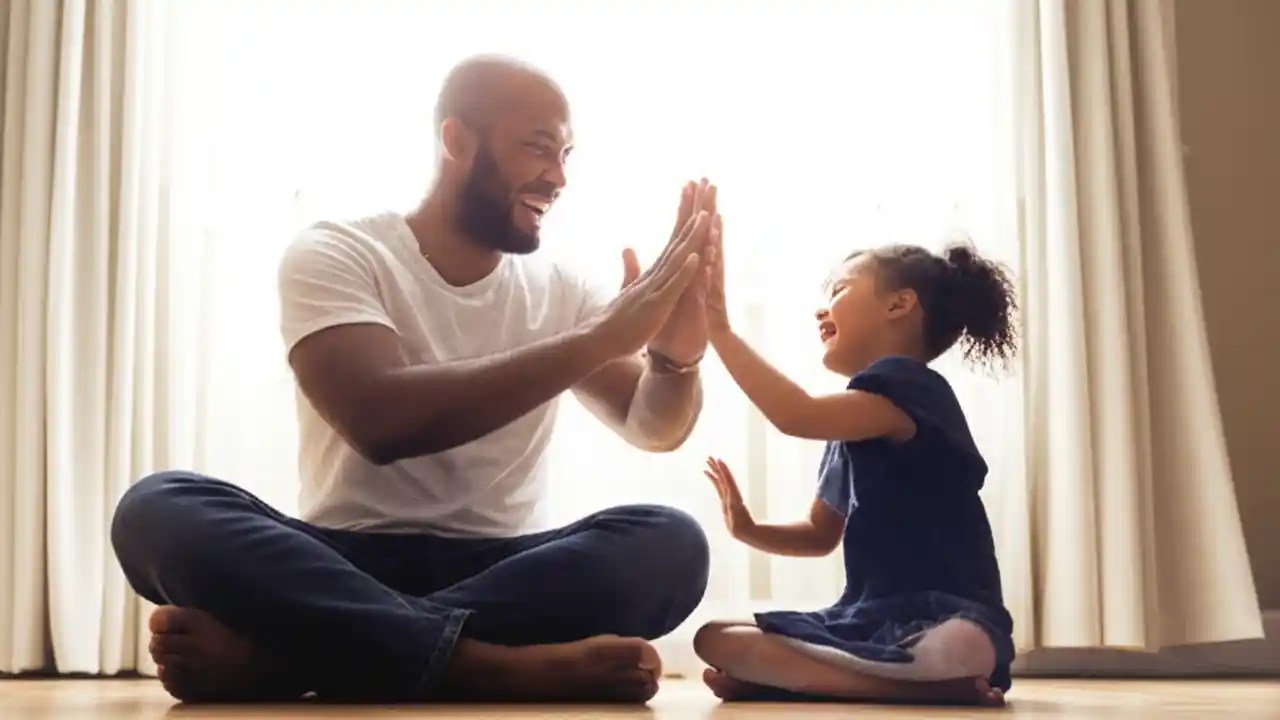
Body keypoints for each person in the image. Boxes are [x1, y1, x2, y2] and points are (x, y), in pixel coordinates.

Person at [110, 56, 719, 704]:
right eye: (539, 149)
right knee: (156, 509)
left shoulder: (562, 291)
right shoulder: (339, 253)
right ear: (457, 141)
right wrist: (599, 340)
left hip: (505, 567)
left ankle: (295, 660)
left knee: (672, 544)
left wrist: (675, 358)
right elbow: (379, 421)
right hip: (337, 558)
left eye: (567, 154)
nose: (559, 176)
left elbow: (654, 426)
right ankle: (488, 669)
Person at [692, 230, 1018, 706]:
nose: (822, 310)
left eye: (839, 291)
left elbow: (794, 414)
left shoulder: (911, 387)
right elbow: (819, 534)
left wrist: (720, 330)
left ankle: (816, 680)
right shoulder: (851, 425)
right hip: (871, 621)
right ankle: (900, 685)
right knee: (715, 638)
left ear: (899, 304)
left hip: (948, 618)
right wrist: (747, 529)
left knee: (960, 644)